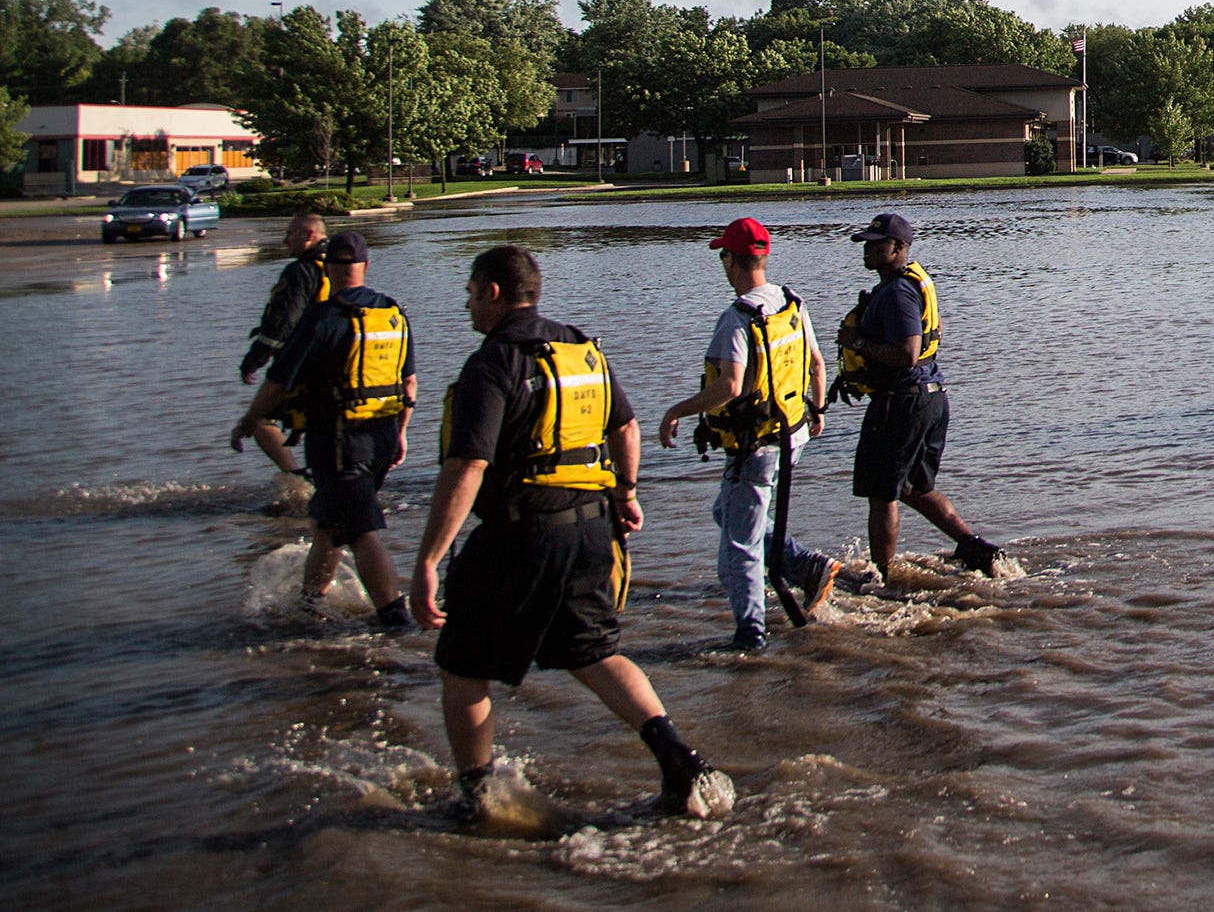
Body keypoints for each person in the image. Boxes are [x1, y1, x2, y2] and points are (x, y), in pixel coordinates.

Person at [412, 244, 730, 823]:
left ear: (492, 293)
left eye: (469, 294)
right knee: (595, 653)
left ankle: (477, 797)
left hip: (519, 536)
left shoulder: (494, 361)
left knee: (462, 666)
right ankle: (682, 762)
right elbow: (626, 426)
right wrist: (626, 493)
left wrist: (429, 559)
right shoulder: (581, 349)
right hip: (591, 533)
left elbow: (467, 468)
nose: (466, 307)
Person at [657, 217, 840, 651]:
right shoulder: (792, 302)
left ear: (733, 262)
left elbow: (730, 387)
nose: (722, 263)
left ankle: (750, 636)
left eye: (723, 255)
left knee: (738, 548)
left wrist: (675, 411)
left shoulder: (736, 318)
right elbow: (816, 361)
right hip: (791, 436)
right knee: (729, 513)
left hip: (755, 446)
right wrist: (816, 409)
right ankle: (803, 566)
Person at [229, 229, 415, 629]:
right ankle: (310, 603)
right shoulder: (392, 313)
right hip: (382, 437)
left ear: (328, 269)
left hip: (338, 439)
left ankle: (395, 619)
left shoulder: (323, 316)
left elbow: (278, 381)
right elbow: (410, 384)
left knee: (360, 528)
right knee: (328, 525)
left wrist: (248, 422)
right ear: (366, 266)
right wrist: (401, 433)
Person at [835, 212, 1005, 581]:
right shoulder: (910, 283)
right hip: (929, 397)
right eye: (865, 243)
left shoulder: (897, 292)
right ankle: (975, 548)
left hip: (903, 402)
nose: (867, 250)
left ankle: (881, 577)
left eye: (876, 244)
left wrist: (859, 343)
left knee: (883, 494)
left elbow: (908, 352)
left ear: (898, 248)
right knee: (916, 487)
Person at [236, 212, 331, 479]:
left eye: (290, 233)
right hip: (339, 362)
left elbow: (284, 321)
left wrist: (255, 357)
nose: (284, 240)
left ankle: (297, 479)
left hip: (302, 364)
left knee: (259, 419)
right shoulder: (338, 266)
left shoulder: (300, 271)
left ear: (308, 235)